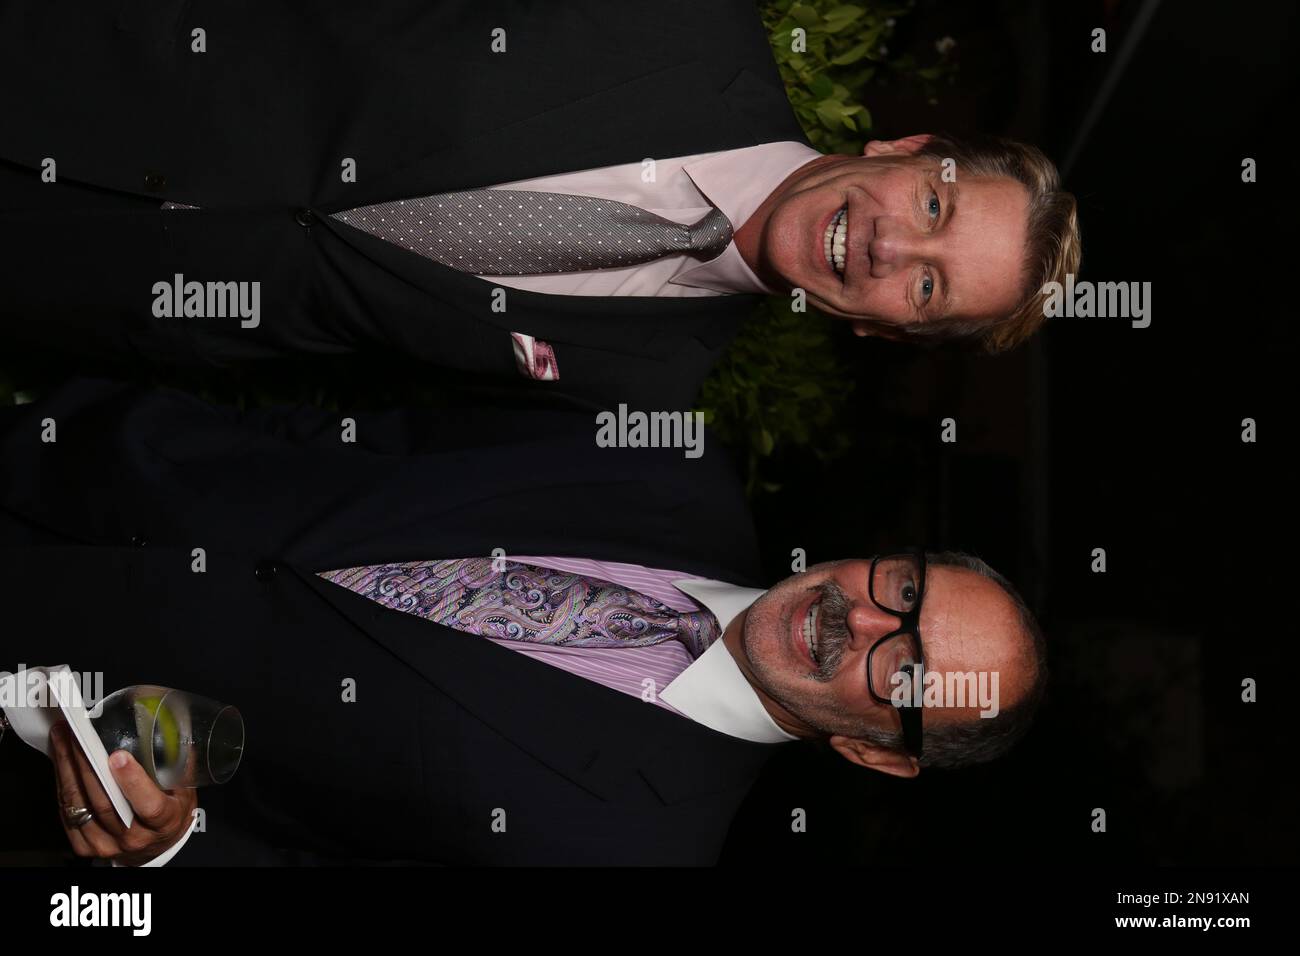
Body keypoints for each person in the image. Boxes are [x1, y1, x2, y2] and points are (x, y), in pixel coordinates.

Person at [0, 378, 1047, 865]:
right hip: (63, 459)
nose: (858, 620)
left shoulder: (635, 847)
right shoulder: (670, 459)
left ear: (874, 753)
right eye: (902, 591)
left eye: (901, 675)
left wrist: (165, 849)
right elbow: (362, 416)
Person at [0, 0, 1080, 411]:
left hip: (69, 290)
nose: (891, 241)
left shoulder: (640, 382)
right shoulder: (686, 27)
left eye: (927, 285)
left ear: (877, 327)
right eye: (934, 206)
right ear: (906, 147)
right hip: (85, 65)